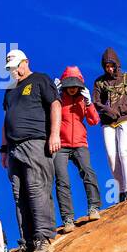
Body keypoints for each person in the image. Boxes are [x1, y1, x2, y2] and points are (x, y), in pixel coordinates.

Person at [0, 49, 60, 252]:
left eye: (16, 66)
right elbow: (6, 120)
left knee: (36, 188)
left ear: (25, 62)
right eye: (10, 68)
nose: (13, 71)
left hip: (35, 142)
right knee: (19, 195)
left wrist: (54, 134)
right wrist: (4, 149)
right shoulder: (9, 90)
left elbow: (55, 104)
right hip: (14, 148)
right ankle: (27, 243)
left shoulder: (40, 79)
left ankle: (42, 237)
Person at [53, 66, 102, 233]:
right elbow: (47, 116)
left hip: (80, 143)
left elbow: (94, 121)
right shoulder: (58, 98)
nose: (72, 88)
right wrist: (54, 96)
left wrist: (89, 103)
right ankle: (67, 218)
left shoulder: (83, 98)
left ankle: (94, 207)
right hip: (60, 145)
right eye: (69, 84)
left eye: (75, 85)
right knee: (62, 180)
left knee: (88, 172)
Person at [93, 48, 127, 201]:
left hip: (124, 119)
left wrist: (120, 110)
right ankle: (119, 190)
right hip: (107, 122)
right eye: (106, 66)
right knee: (111, 155)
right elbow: (96, 101)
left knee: (125, 151)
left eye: (111, 65)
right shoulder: (100, 82)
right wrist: (107, 110)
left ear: (117, 64)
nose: (109, 68)